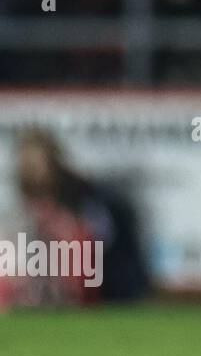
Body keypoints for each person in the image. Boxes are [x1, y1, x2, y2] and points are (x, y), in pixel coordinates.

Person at [9, 129, 151, 305]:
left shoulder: (87, 195)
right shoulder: (29, 192)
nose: (28, 166)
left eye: (34, 162)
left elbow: (100, 240)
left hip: (110, 279)